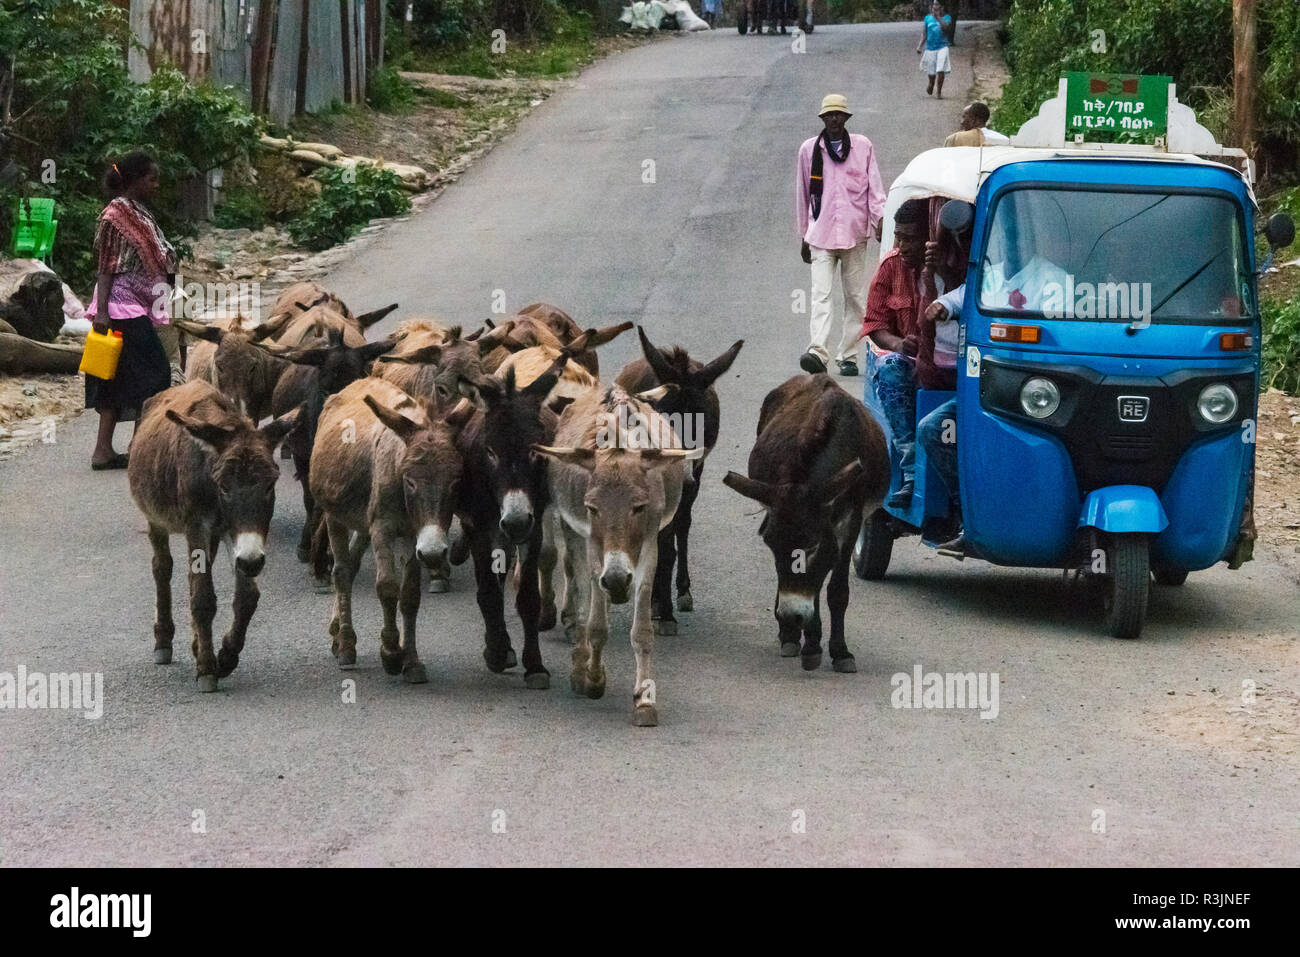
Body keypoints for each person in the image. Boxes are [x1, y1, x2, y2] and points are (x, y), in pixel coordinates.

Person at [84, 151, 178, 470]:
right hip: (120, 306)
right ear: (135, 180)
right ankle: (140, 448)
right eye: (152, 179)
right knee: (156, 374)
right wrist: (102, 314)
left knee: (115, 375)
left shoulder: (137, 211)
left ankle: (103, 452)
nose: (157, 185)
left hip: (133, 303)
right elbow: (106, 265)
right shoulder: (115, 215)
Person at [794, 93, 885, 377]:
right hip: (820, 234)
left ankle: (848, 355)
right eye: (829, 115)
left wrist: (880, 220)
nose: (834, 119)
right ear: (822, 119)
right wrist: (803, 235)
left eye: (839, 115)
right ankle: (818, 352)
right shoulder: (809, 150)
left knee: (856, 297)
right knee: (821, 295)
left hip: (855, 233)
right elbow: (803, 193)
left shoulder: (862, 146)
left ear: (845, 118)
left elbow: (874, 188)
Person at [861, 199, 928, 506]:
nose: (901, 246)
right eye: (898, 237)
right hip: (908, 365)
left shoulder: (955, 267)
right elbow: (875, 324)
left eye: (910, 238)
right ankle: (911, 468)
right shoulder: (890, 267)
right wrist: (899, 345)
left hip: (949, 363)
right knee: (890, 368)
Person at [916, 2, 952, 99]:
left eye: (937, 4)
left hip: (943, 47)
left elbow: (946, 28)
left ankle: (939, 92)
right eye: (934, 5)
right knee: (931, 72)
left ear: (942, 6)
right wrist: (920, 46)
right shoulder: (927, 18)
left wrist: (939, 17)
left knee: (940, 69)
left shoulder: (947, 17)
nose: (935, 6)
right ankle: (931, 84)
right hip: (930, 48)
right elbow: (924, 34)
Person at [943, 102, 1009, 147]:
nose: (962, 122)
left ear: (975, 120)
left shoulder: (955, 139)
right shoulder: (1004, 140)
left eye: (964, 117)